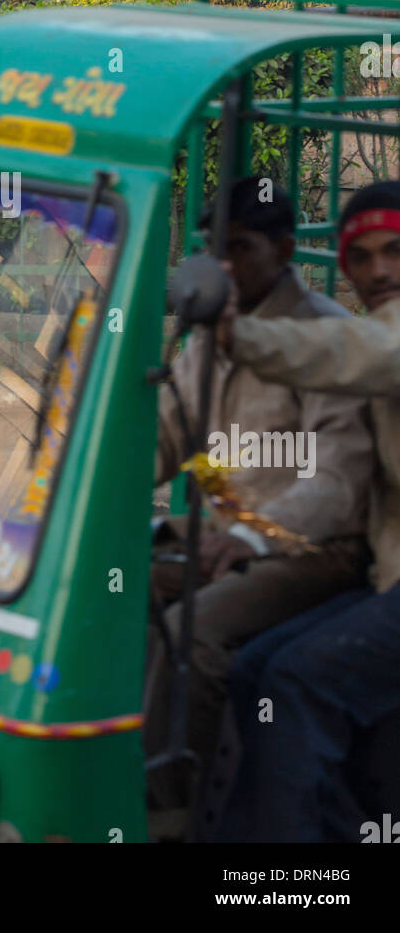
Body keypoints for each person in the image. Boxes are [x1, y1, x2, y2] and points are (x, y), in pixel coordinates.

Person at [145, 178, 375, 827]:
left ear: (283, 249)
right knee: (115, 585)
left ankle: (171, 814)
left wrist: (248, 539)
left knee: (200, 633)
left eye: (239, 250)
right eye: (212, 252)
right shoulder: (207, 339)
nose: (222, 267)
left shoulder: (327, 338)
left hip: (310, 549)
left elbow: (335, 483)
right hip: (223, 529)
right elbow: (164, 434)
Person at [215, 179, 400, 842]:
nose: (378, 270)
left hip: (352, 564)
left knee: (295, 679)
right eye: (363, 256)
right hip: (385, 575)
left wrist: (243, 337)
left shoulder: (362, 336)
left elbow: (354, 352)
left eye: (395, 251)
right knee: (255, 668)